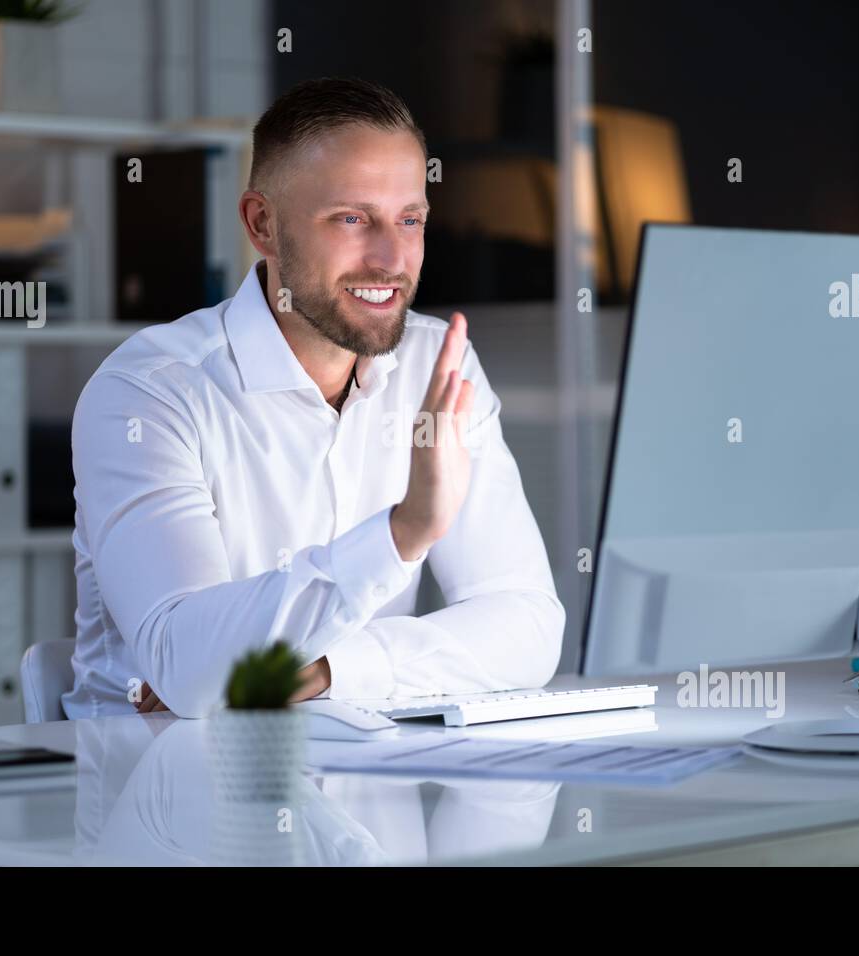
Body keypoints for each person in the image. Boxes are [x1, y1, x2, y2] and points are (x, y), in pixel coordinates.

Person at [61, 76, 563, 719]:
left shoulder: (438, 365)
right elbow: (188, 670)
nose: (390, 258)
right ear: (261, 224)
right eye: (352, 219)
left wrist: (326, 671)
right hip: (152, 786)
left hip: (361, 782)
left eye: (409, 220)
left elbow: (528, 624)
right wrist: (402, 533)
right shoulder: (148, 394)